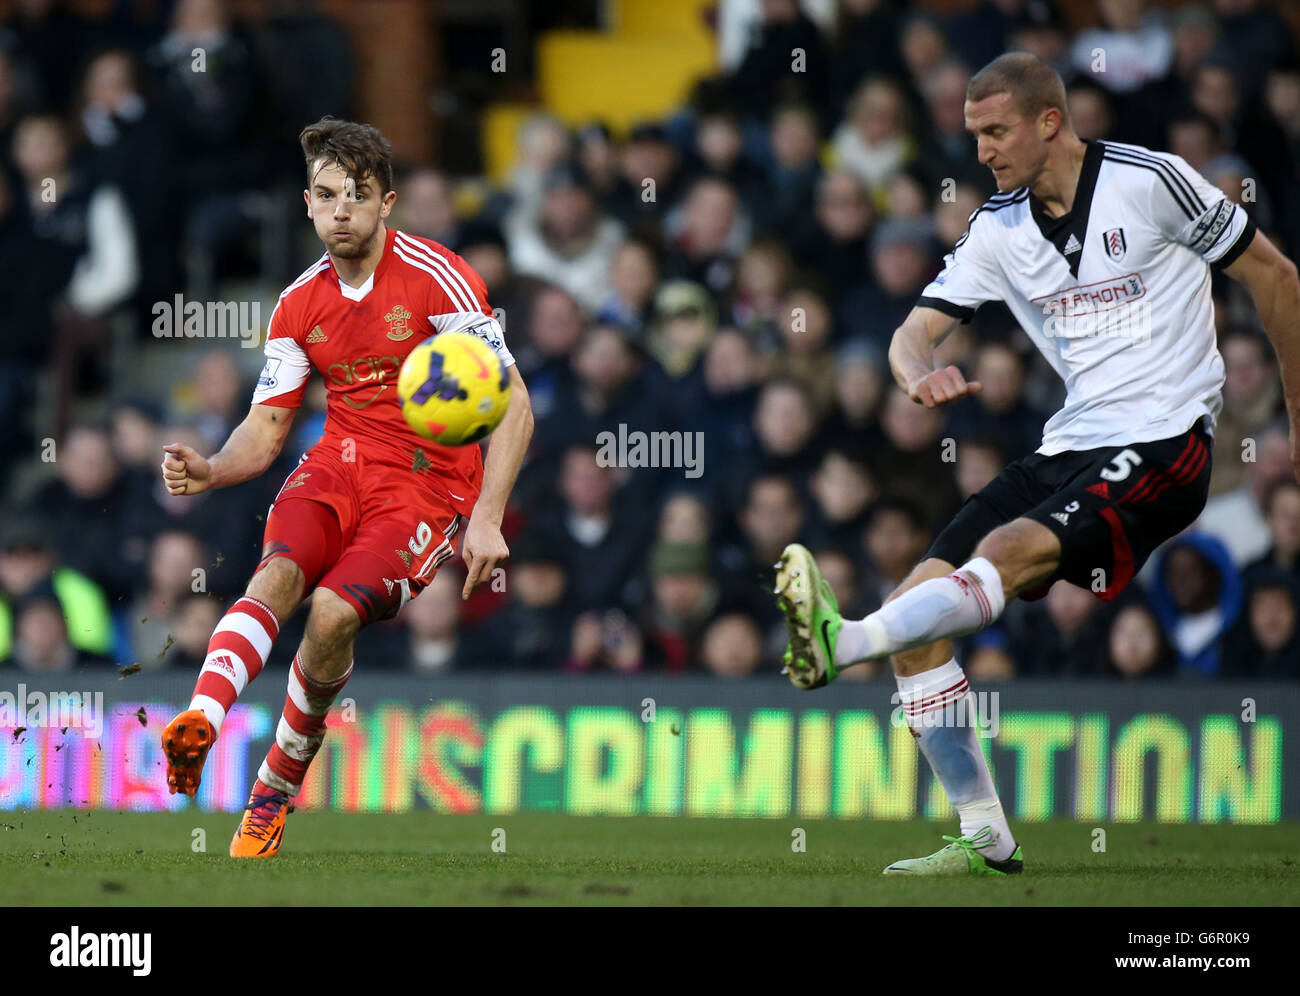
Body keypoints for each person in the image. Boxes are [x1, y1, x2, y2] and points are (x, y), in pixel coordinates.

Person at [771, 53, 1300, 877]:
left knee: (1004, 554)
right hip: (1068, 446)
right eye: (973, 133)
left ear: (1049, 121)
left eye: (995, 130)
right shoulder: (999, 228)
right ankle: (984, 832)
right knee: (922, 613)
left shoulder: (1151, 182)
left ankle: (842, 644)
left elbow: (1276, 277)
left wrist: (1298, 421)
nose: (981, 149)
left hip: (1168, 441)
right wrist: (917, 372)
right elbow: (911, 333)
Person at [156, 118, 534, 858]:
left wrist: (488, 519)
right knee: (277, 576)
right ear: (306, 203)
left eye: (356, 197)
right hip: (338, 463)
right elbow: (265, 431)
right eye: (326, 196)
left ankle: (273, 788)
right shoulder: (298, 303)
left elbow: (513, 402)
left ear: (386, 203)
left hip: (425, 488)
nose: (340, 211)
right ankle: (198, 720)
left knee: (330, 615)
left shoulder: (439, 278)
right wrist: (213, 468)